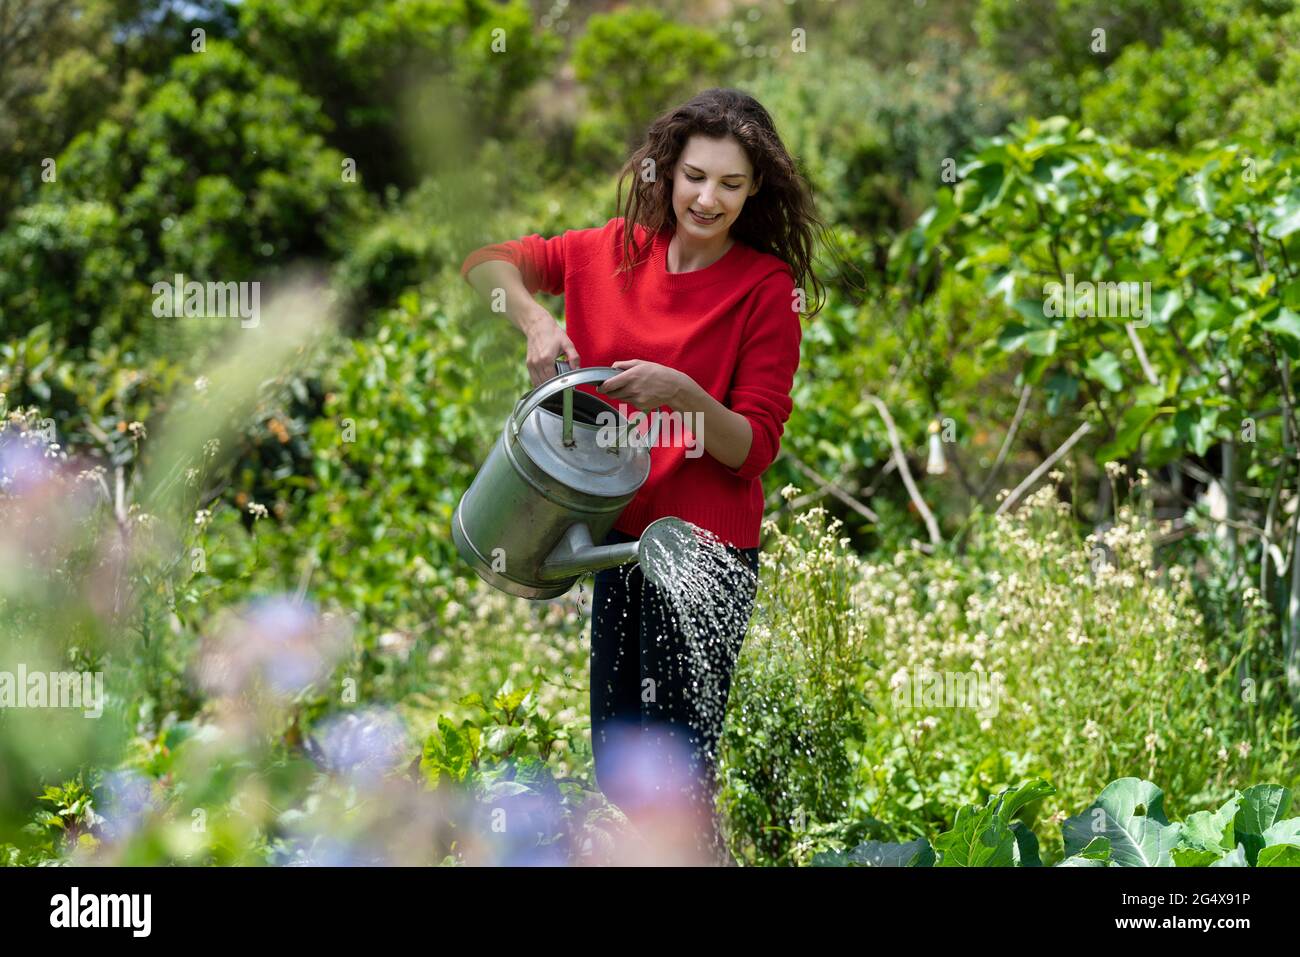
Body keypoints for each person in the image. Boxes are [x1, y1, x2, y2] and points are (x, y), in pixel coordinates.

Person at [460, 87, 841, 865]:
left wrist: (684, 396)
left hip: (702, 556)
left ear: (755, 189)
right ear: (667, 173)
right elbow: (487, 262)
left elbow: (753, 446)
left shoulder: (765, 291)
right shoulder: (609, 249)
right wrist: (536, 319)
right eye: (696, 176)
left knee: (673, 778)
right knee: (619, 768)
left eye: (732, 184)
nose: (709, 198)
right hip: (620, 545)